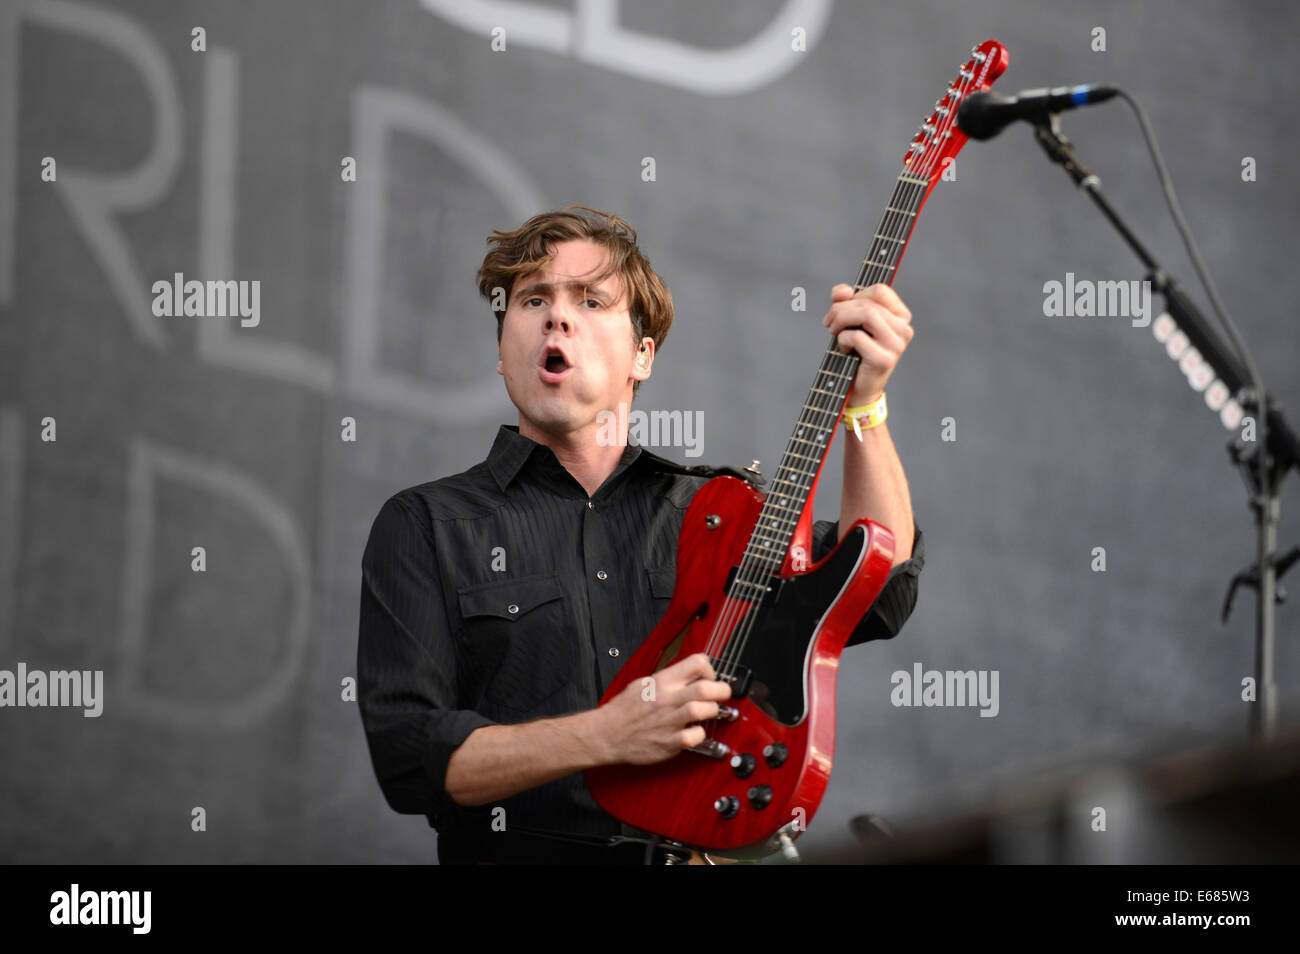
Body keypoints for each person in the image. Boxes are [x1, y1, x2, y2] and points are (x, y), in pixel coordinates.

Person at [357, 205, 924, 864]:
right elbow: (409, 757)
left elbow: (878, 593)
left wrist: (865, 407)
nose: (556, 316)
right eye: (532, 299)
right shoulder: (426, 524)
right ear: (502, 352)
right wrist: (607, 734)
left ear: (642, 355)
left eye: (591, 300)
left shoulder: (721, 512)